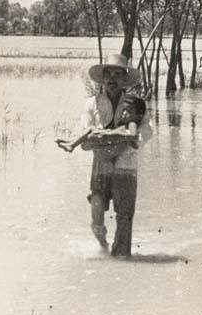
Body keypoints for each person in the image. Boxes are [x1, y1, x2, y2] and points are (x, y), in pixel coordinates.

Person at [63, 53, 151, 257]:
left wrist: (126, 138)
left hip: (126, 163)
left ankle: (121, 257)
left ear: (123, 80)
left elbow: (144, 132)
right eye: (108, 74)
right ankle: (102, 244)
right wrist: (112, 137)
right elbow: (87, 132)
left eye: (117, 74)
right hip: (101, 161)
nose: (112, 78)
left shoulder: (135, 104)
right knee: (96, 209)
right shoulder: (92, 103)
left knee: (125, 215)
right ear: (103, 79)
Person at [56, 94, 146, 155]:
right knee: (90, 131)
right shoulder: (128, 122)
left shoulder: (132, 122)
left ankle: (72, 144)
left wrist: (111, 134)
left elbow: (133, 136)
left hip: (110, 137)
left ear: (138, 115)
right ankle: (72, 143)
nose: (124, 114)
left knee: (91, 131)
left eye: (129, 112)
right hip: (110, 137)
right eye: (124, 111)